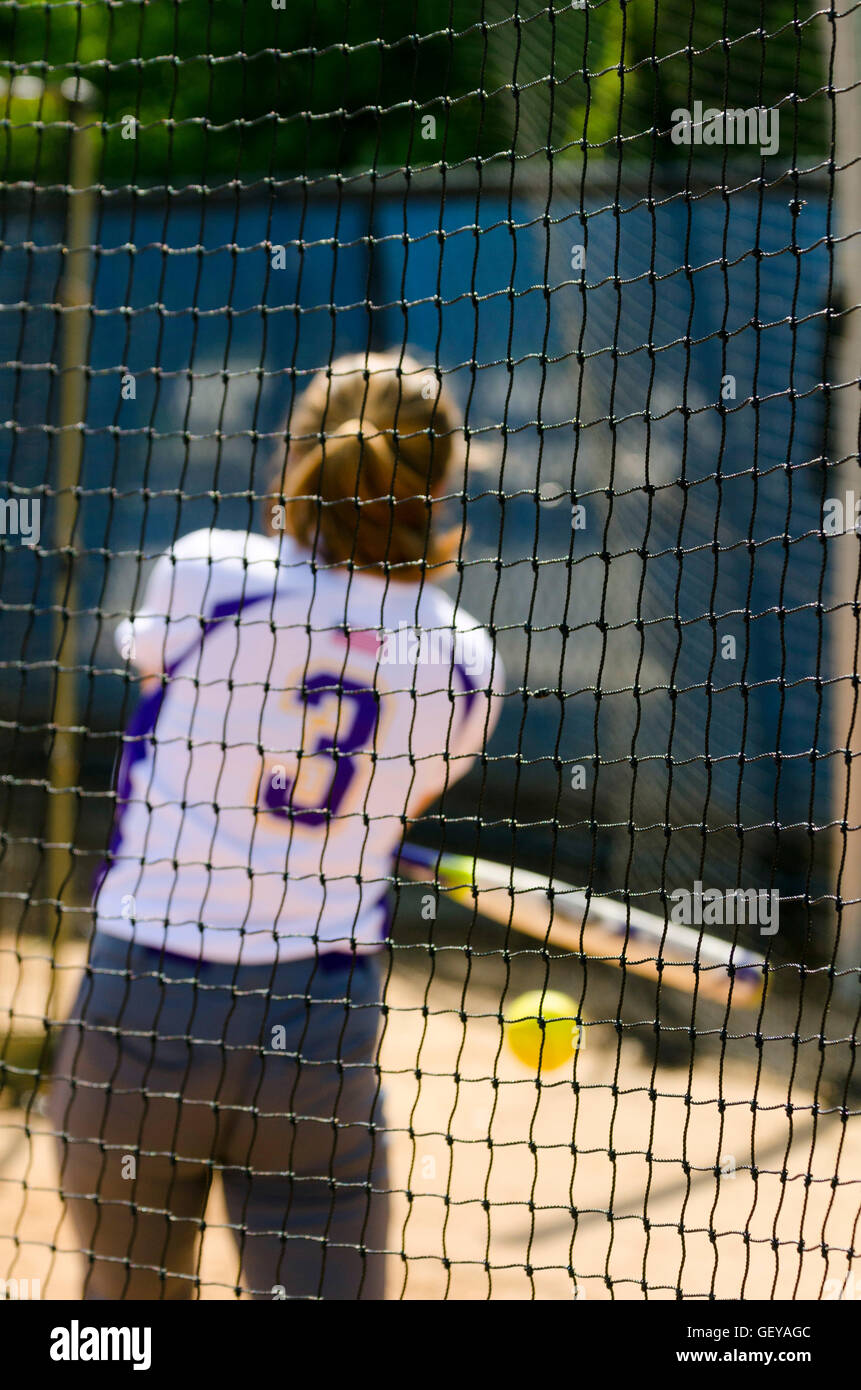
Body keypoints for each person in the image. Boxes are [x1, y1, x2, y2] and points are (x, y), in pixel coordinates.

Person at [49, 349, 503, 1300]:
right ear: (439, 484)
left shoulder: (207, 575)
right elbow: (395, 804)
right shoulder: (463, 658)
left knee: (122, 1308)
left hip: (145, 998)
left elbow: (157, 690)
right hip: (316, 1024)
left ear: (297, 458)